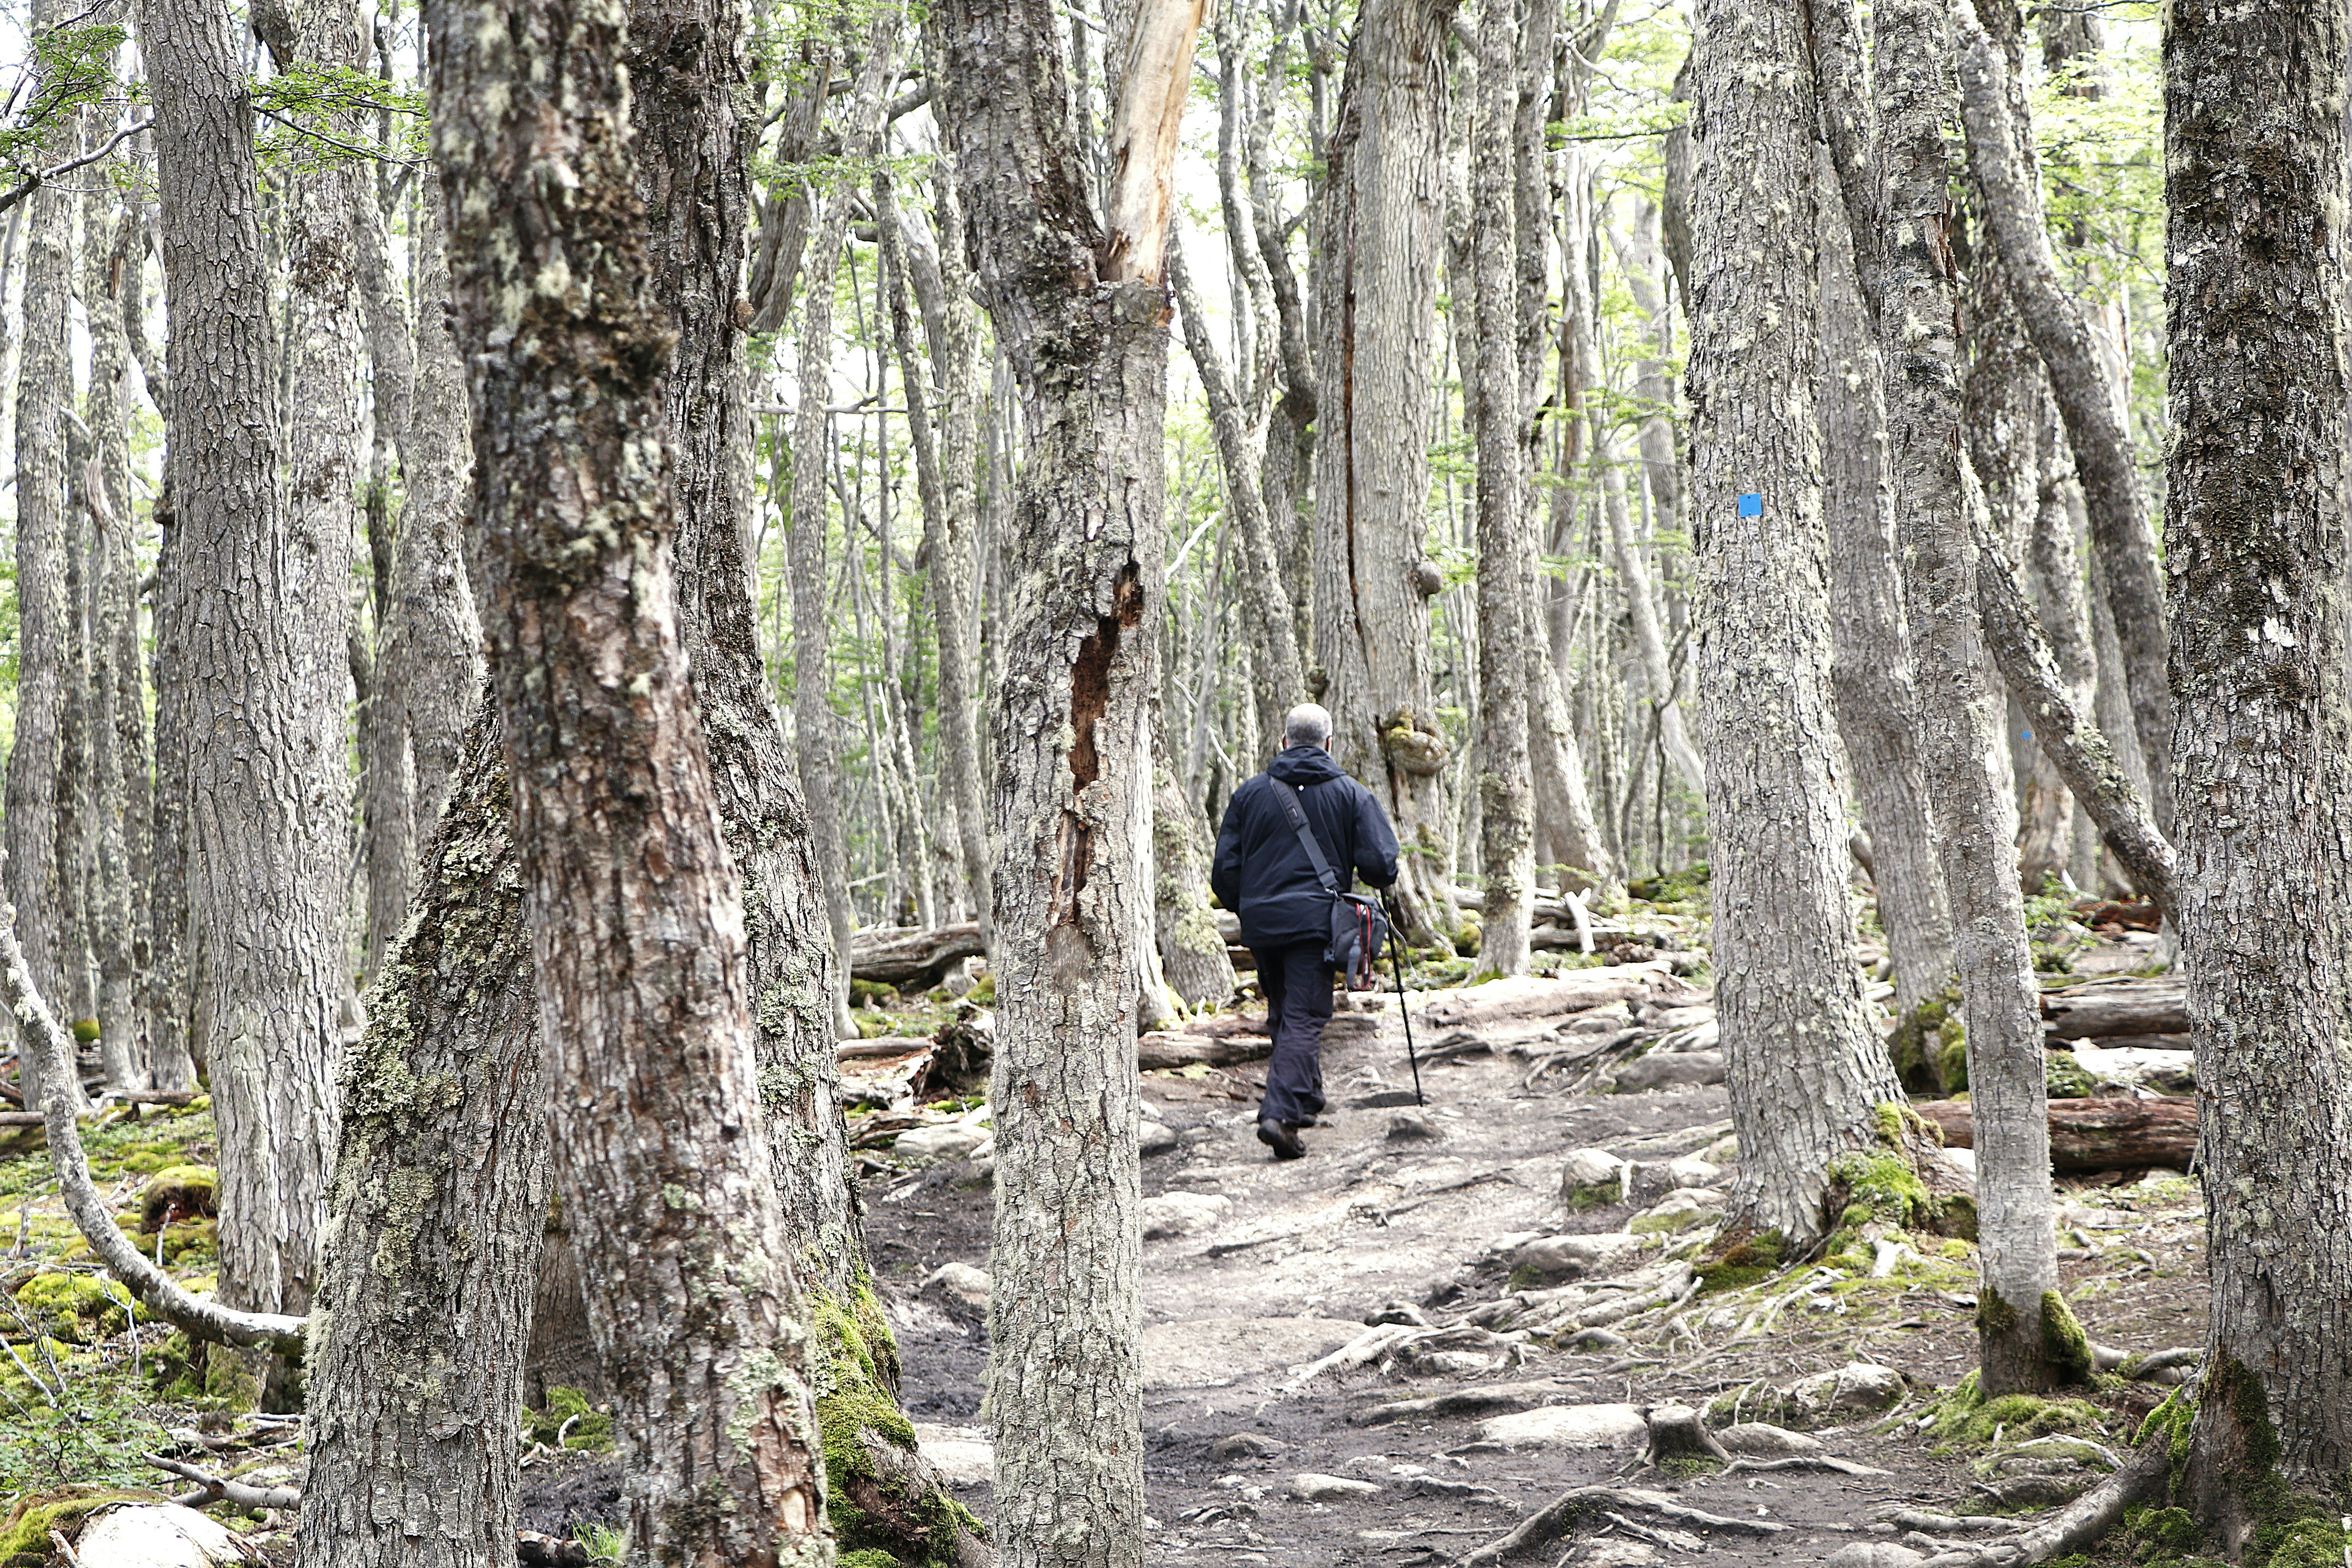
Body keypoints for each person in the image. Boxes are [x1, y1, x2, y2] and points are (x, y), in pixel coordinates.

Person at [1210, 702, 1400, 1160]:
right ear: (1329, 744)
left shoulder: (1249, 795)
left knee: (1284, 1012)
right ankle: (1279, 1115)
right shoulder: (1351, 794)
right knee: (1304, 1016)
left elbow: (1224, 873)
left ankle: (1307, 1098)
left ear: (1284, 742)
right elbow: (1381, 866)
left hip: (1262, 925)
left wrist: (1251, 908)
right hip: (1316, 924)